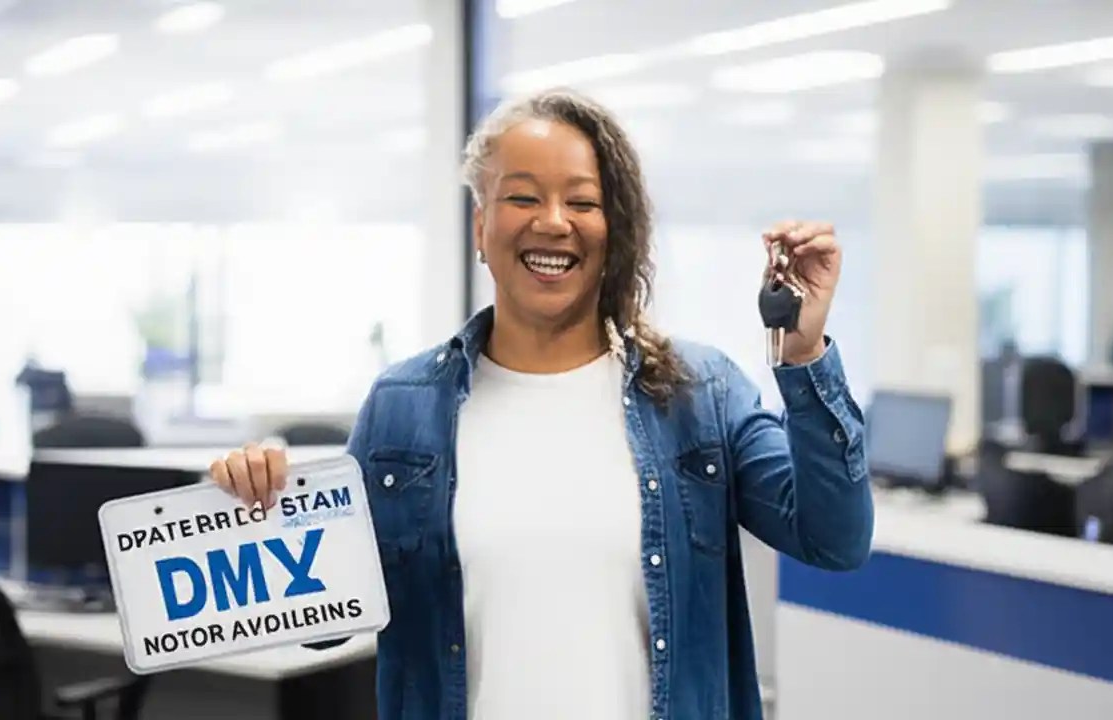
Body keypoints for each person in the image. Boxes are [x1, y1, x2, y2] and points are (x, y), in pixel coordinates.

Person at [211, 88, 873, 720]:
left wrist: (804, 350)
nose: (553, 222)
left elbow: (834, 538)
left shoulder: (701, 393)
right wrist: (261, 514)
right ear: (481, 226)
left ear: (614, 230)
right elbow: (325, 618)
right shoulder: (401, 409)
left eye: (582, 202)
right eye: (522, 197)